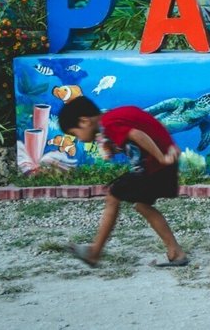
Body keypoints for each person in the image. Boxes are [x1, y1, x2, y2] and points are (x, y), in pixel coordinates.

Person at [57, 96, 188, 267]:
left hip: (157, 165)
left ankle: (94, 253)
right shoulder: (112, 118)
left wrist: (161, 158)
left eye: (75, 134)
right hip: (160, 165)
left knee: (113, 196)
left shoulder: (109, 124)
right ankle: (176, 252)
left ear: (84, 121)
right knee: (142, 205)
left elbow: (137, 134)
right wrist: (115, 148)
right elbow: (139, 133)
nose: (79, 139)